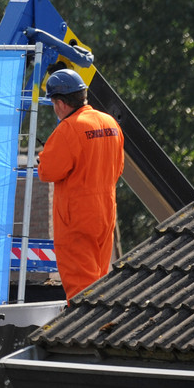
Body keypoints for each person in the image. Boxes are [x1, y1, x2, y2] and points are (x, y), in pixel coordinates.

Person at [37, 68, 124, 301]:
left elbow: (47, 172)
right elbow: (118, 168)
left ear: (60, 103)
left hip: (76, 219)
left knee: (80, 291)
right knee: (99, 281)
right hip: (105, 213)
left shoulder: (68, 129)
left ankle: (84, 334)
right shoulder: (110, 123)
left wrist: (43, 157)